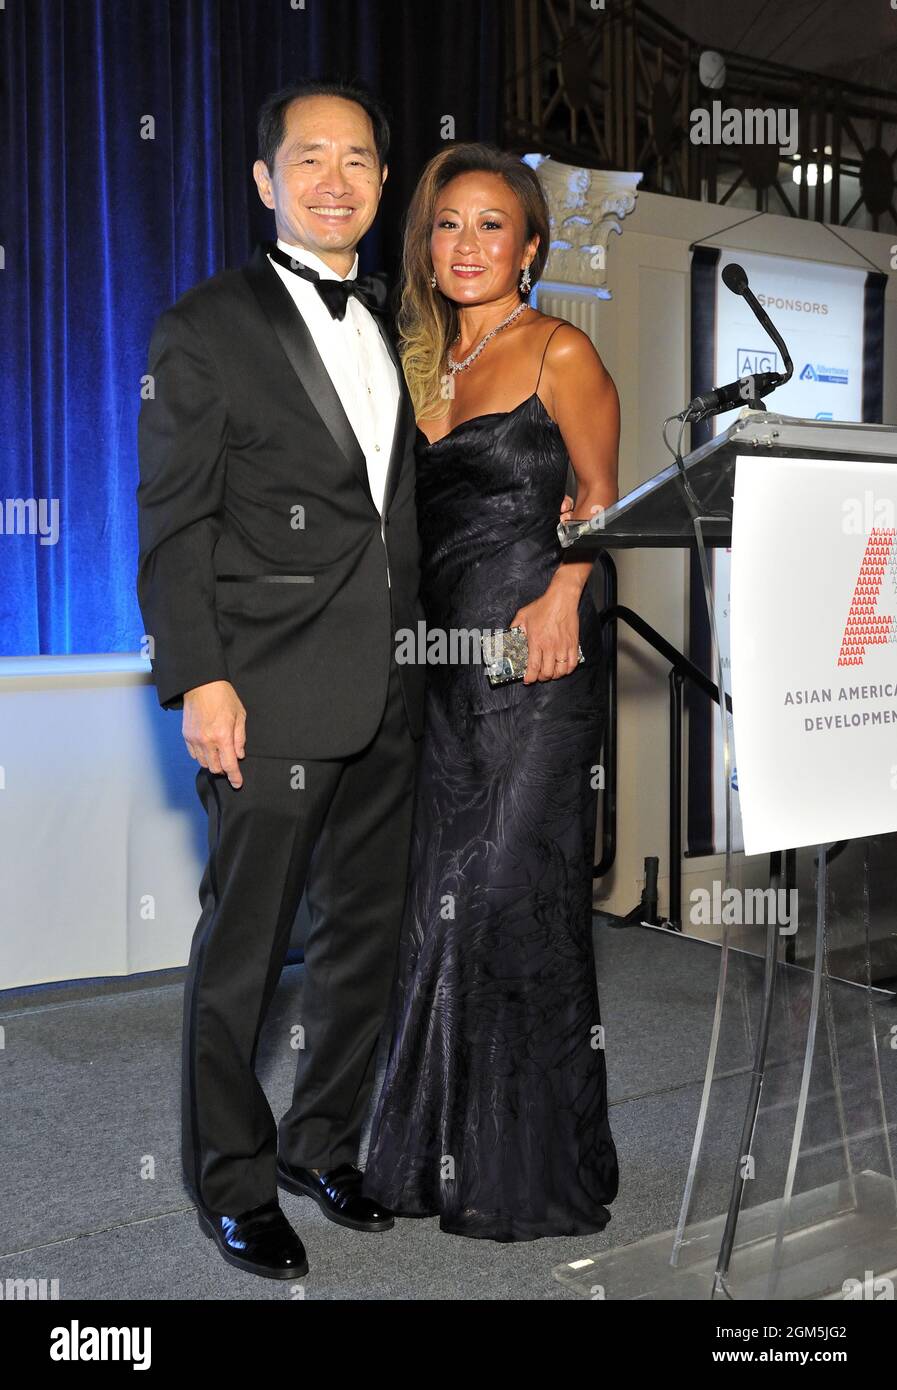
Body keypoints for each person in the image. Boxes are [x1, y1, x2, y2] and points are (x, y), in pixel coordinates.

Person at [136, 79, 427, 1279]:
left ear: (379, 180)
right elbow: (171, 524)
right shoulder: (205, 326)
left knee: (368, 942)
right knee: (245, 952)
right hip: (261, 696)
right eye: (310, 157)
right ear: (266, 180)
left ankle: (323, 1139)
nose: (336, 178)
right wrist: (200, 679)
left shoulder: (399, 324)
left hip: (393, 688)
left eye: (359, 158)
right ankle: (229, 1182)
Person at [362, 142, 621, 1241]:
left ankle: (529, 1165)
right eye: (446, 225)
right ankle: (433, 1151)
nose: (466, 245)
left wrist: (565, 594)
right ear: (424, 244)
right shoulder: (413, 365)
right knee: (440, 896)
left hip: (538, 650)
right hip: (439, 665)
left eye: (491, 226)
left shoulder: (561, 349)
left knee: (514, 888)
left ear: (529, 246)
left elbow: (604, 502)